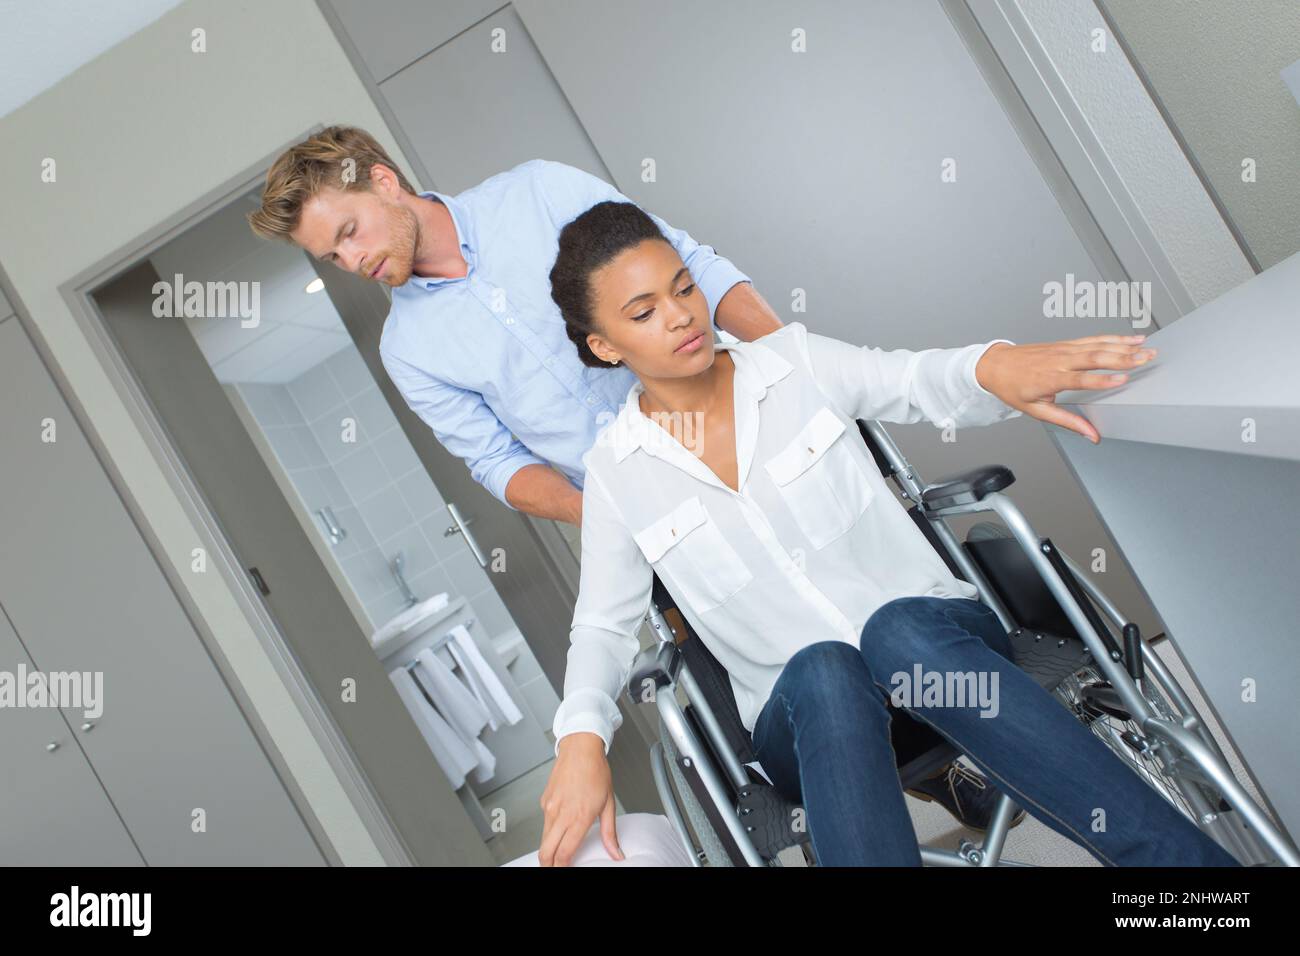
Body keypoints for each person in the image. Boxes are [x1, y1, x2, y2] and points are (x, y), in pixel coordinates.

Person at [249, 126, 1008, 830]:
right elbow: (498, 465)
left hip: (752, 446)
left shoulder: (540, 192)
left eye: (348, 233)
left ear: (383, 181)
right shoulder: (411, 350)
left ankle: (954, 738)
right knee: (794, 672)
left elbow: (690, 266)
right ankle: (915, 772)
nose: (352, 262)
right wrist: (618, 514)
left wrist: (800, 376)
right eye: (332, 258)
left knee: (868, 606)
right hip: (666, 531)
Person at [537, 199, 1240, 868]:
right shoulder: (617, 476)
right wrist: (580, 743)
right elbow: (601, 626)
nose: (682, 316)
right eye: (644, 311)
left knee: (896, 630)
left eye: (683, 288)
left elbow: (913, 378)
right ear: (603, 345)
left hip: (940, 656)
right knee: (822, 668)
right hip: (807, 722)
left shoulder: (795, 364)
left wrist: (992, 364)